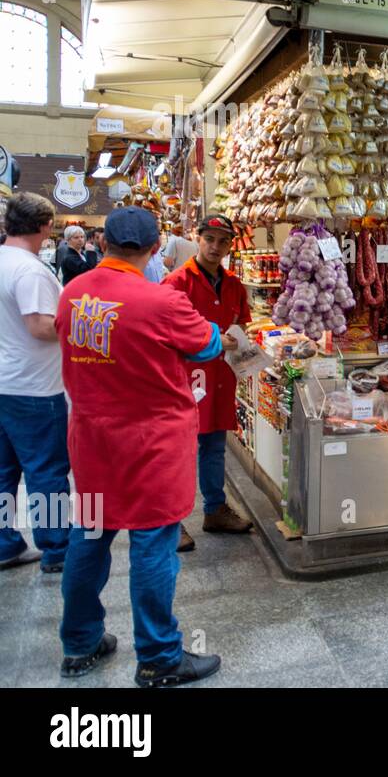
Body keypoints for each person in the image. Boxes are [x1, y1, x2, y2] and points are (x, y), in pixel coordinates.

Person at [56, 207, 234, 686]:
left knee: (89, 536)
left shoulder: (72, 293)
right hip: (150, 442)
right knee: (153, 543)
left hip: (92, 438)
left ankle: (79, 642)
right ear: (157, 248)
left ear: (104, 242)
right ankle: (158, 656)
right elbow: (209, 345)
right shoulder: (159, 301)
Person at [163, 213, 253, 551]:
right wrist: (212, 336)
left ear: (230, 245)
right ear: (196, 238)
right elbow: (164, 331)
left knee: (214, 447)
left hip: (220, 378)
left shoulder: (233, 284)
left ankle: (214, 509)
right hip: (184, 380)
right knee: (179, 451)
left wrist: (246, 347)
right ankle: (171, 522)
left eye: (223, 241)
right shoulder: (177, 282)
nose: (215, 247)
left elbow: (242, 324)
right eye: (209, 239)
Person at [0, 193, 71, 572]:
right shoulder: (29, 270)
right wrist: (79, 326)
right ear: (45, 226)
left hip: (4, 383)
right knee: (47, 471)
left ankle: (4, 543)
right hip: (34, 388)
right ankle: (58, 548)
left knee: (3, 471)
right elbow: (40, 325)